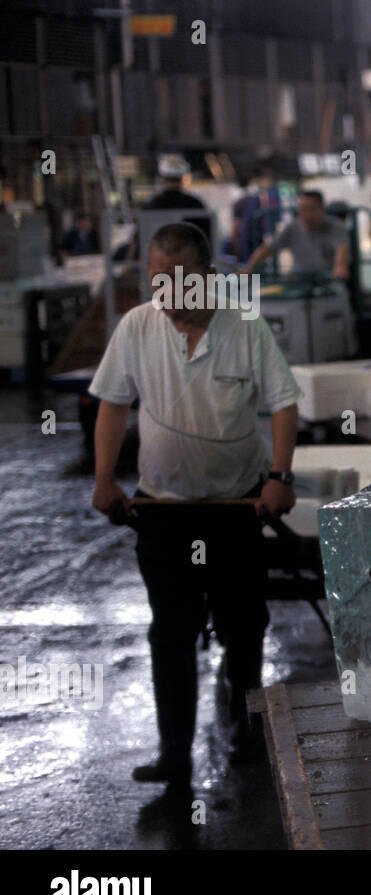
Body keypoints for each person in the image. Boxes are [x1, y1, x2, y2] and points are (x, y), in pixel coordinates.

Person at [90, 222, 302, 806]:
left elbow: (284, 404)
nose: (168, 294)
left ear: (207, 278)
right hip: (163, 511)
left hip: (236, 508)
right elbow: (112, 405)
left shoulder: (246, 327)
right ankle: (173, 752)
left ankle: (247, 723)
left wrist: (280, 478)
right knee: (170, 630)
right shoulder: (136, 327)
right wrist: (106, 477)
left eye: (179, 281)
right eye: (158, 280)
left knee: (243, 622)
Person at [240, 190, 350, 281]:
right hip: (300, 280)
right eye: (303, 210)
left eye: (312, 209)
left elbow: (342, 249)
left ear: (322, 208)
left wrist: (340, 268)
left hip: (329, 282)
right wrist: (249, 268)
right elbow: (268, 248)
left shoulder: (336, 227)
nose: (308, 215)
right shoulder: (292, 228)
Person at [141, 155, 210, 245]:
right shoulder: (195, 204)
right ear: (182, 178)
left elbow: (140, 237)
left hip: (156, 255)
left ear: (163, 178)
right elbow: (207, 236)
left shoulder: (151, 204)